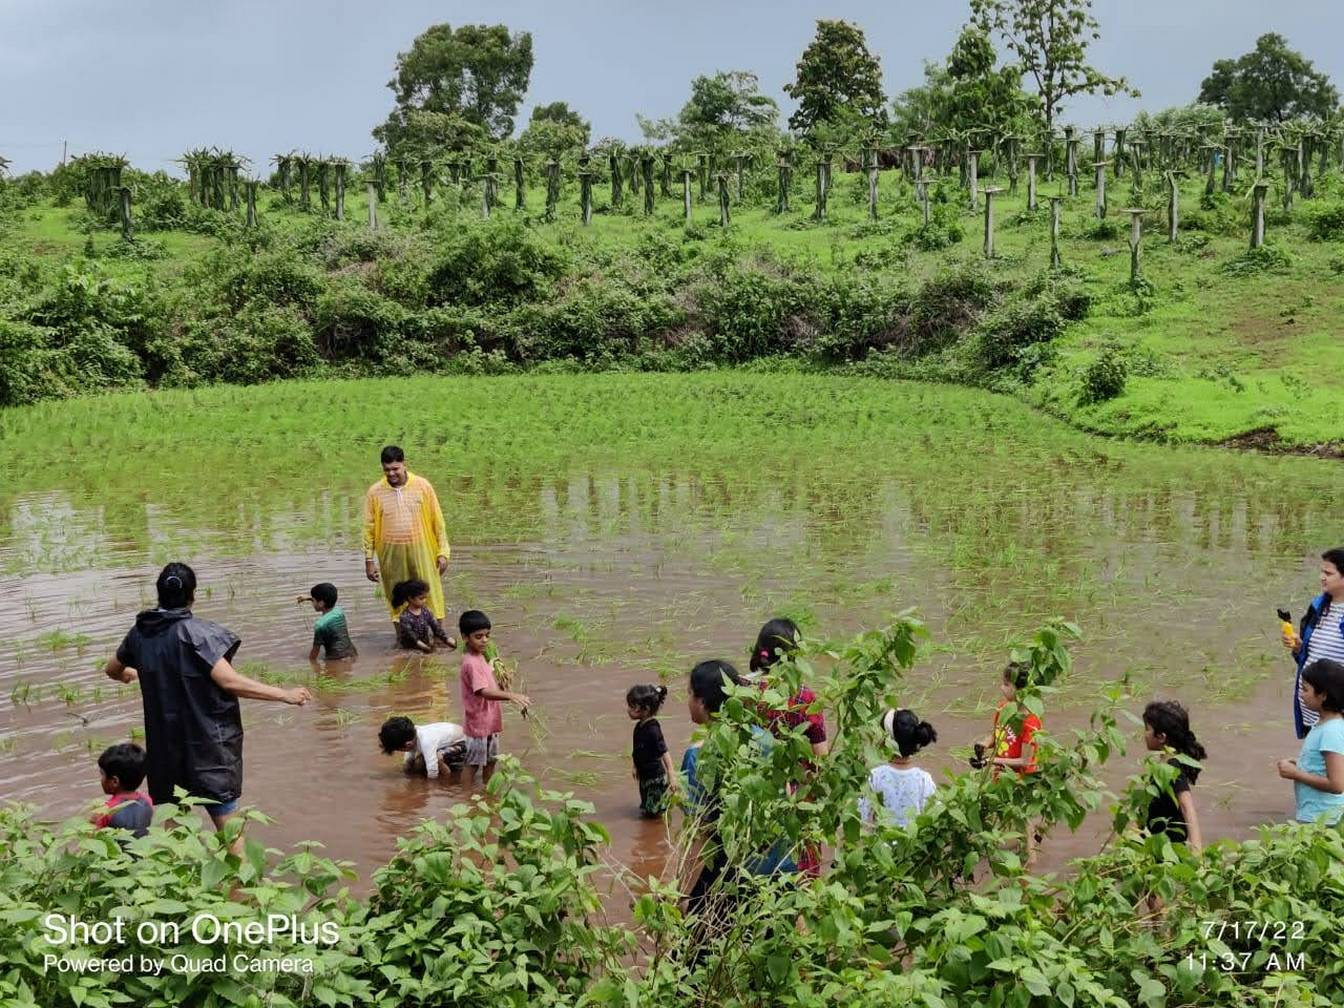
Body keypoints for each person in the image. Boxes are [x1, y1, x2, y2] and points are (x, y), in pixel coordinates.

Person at [101, 563, 312, 851]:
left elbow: (112, 669)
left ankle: (175, 889)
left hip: (166, 750)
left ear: (159, 594)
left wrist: (132, 674)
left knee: (174, 828)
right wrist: (284, 694)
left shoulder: (139, 634)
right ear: (192, 596)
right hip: (207, 748)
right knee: (229, 830)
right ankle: (241, 893)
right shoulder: (198, 634)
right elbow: (229, 681)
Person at [681, 659, 796, 920]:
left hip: (730, 876)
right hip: (778, 868)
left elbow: (702, 834)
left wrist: (683, 893)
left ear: (701, 702)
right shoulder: (768, 739)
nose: (687, 700)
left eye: (689, 693)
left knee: (696, 956)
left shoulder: (699, 756)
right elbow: (787, 796)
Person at [747, 617, 827, 878]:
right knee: (802, 876)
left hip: (758, 793)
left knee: (756, 871)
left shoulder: (747, 692)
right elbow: (820, 759)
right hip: (799, 798)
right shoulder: (806, 698)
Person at [362, 445, 451, 629]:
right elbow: (369, 528)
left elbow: (438, 521)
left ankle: (439, 635)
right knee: (397, 593)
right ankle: (402, 637)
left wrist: (443, 552)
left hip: (422, 548)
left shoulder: (422, 486)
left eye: (395, 469)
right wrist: (369, 560)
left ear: (404, 464)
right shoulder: (375, 492)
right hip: (391, 552)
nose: (391, 474)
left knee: (429, 590)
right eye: (387, 470)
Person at [458, 610, 530, 787]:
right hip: (478, 723)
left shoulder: (481, 656)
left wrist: (501, 677)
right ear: (465, 637)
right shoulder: (471, 662)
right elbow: (482, 691)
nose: (484, 640)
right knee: (473, 763)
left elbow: (488, 679)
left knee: (491, 760)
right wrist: (511, 695)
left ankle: (489, 795)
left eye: (487, 635)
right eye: (479, 636)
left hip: (490, 720)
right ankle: (466, 798)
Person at [1283, 548, 1344, 739]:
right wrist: (1298, 647)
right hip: (1313, 709)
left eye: (1328, 573)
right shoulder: (1318, 607)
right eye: (1322, 572)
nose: (1322, 577)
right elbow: (1308, 654)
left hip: (1337, 711)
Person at [1277, 659, 1344, 825]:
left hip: (1323, 819)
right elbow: (1324, 765)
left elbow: (1337, 784)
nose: (1301, 694)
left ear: (1323, 695)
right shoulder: (1323, 725)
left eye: (1305, 689)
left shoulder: (1331, 731)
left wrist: (1296, 774)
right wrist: (1301, 763)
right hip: (1317, 815)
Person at [1140, 700, 1205, 849]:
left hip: (1167, 849)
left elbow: (1186, 806)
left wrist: (1197, 851)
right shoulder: (1162, 766)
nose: (1144, 734)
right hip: (1155, 845)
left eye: (1147, 729)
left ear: (1161, 737)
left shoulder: (1172, 767)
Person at [859, 709, 937, 828]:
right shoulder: (924, 780)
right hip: (913, 845)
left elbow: (863, 814)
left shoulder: (875, 776)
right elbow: (933, 817)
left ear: (886, 741)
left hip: (880, 845)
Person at [628, 684, 677, 817]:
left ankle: (658, 831)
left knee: (654, 810)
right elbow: (637, 750)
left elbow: (664, 751)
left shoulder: (653, 729)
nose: (628, 710)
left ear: (646, 709)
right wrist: (635, 766)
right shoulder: (639, 727)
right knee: (646, 805)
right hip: (644, 775)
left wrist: (671, 773)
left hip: (654, 777)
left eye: (633, 707)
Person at [93, 742, 153, 839]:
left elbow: (94, 840)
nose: (101, 779)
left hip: (119, 854)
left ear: (115, 781)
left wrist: (92, 822)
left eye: (102, 774)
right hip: (142, 850)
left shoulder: (106, 811)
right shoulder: (147, 800)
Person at [378, 715, 467, 780]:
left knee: (437, 758)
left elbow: (432, 771)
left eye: (399, 749)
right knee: (419, 763)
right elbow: (409, 759)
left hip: (464, 744)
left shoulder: (426, 740)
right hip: (447, 744)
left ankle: (448, 777)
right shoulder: (413, 735)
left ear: (408, 744)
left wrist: (430, 789)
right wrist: (406, 771)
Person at [299, 582, 357, 661]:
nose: (312, 603)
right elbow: (325, 600)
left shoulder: (320, 625)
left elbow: (315, 651)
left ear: (321, 603)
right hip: (352, 653)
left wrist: (311, 663)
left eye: (313, 600)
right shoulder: (339, 612)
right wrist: (308, 598)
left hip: (336, 659)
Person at [392, 579, 455, 652]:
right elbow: (412, 637)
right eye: (421, 598)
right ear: (410, 598)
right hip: (409, 648)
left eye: (425, 598)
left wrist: (448, 640)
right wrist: (427, 648)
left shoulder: (426, 612)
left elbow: (436, 629)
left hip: (423, 644)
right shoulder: (405, 617)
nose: (424, 600)